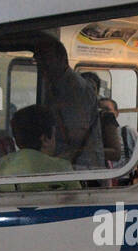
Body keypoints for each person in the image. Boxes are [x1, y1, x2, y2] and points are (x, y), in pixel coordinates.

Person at [34, 38, 104, 170]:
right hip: (68, 163)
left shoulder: (75, 88)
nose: (42, 64)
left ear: (62, 59)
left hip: (82, 167)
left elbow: (76, 135)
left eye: (46, 59)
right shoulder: (54, 86)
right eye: (38, 60)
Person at [0, 104, 81, 191]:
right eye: (54, 135)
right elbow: (79, 200)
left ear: (17, 140)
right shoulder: (62, 168)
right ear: (45, 139)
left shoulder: (0, 165)